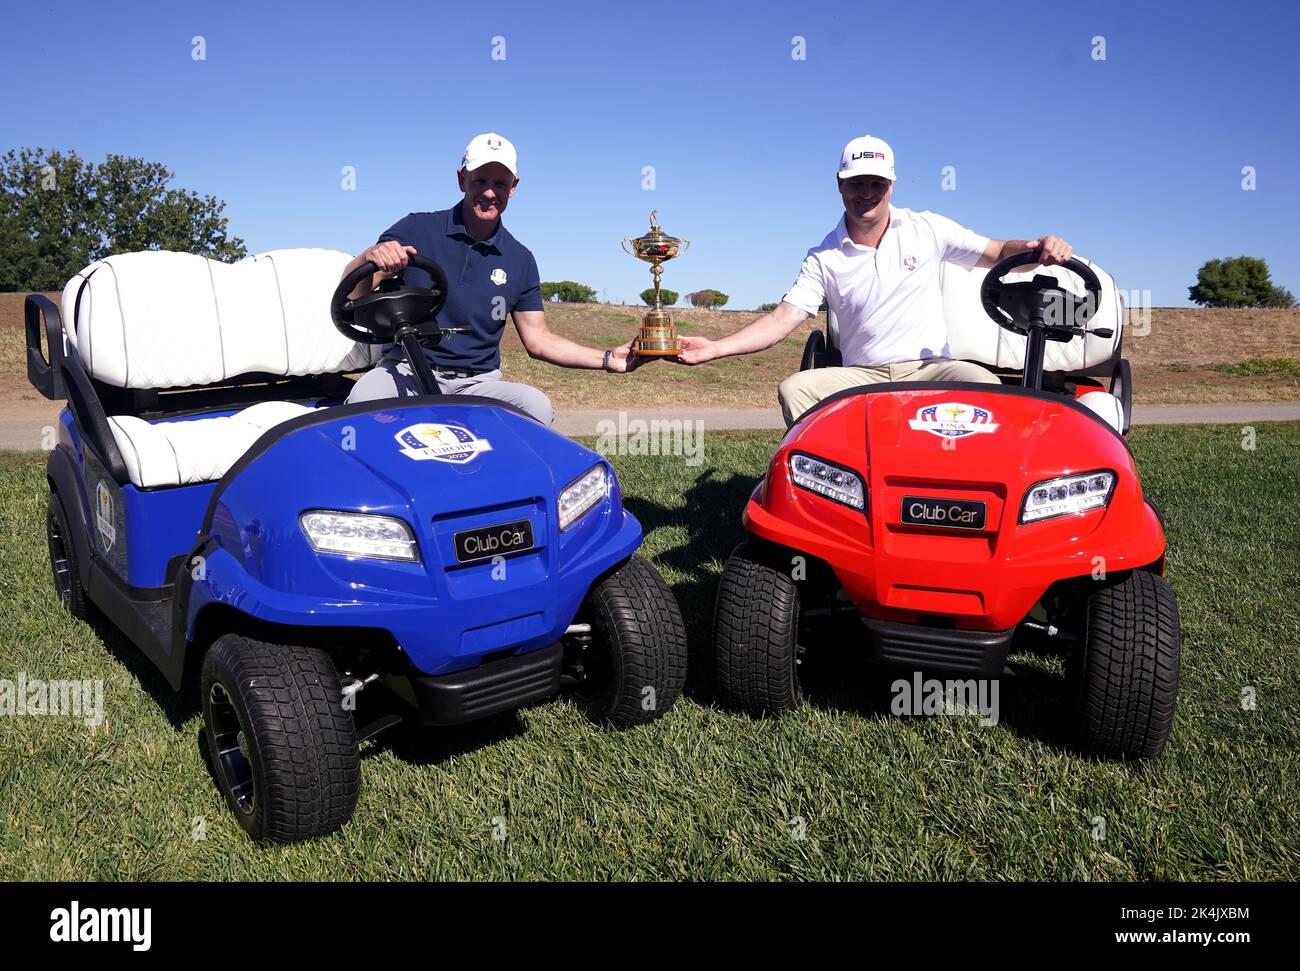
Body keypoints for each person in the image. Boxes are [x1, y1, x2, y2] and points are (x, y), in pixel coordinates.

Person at [676, 135, 1076, 426]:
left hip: (929, 369)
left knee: (987, 387)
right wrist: (715, 349)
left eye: (876, 183)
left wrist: (1038, 246)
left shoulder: (928, 228)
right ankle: (837, 482)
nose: (866, 193)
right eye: (857, 182)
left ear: (891, 185)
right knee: (795, 389)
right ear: (840, 184)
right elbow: (783, 318)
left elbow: (998, 251)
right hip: (863, 376)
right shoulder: (824, 256)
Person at [342, 133, 643, 424]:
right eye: (480, 180)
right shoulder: (416, 228)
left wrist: (607, 358)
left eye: (500, 183)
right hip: (406, 371)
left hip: (477, 384)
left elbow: (539, 340)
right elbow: (355, 294)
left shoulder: (520, 259)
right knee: (361, 405)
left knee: (536, 406)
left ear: (513, 187)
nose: (489, 192)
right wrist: (370, 256)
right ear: (461, 179)